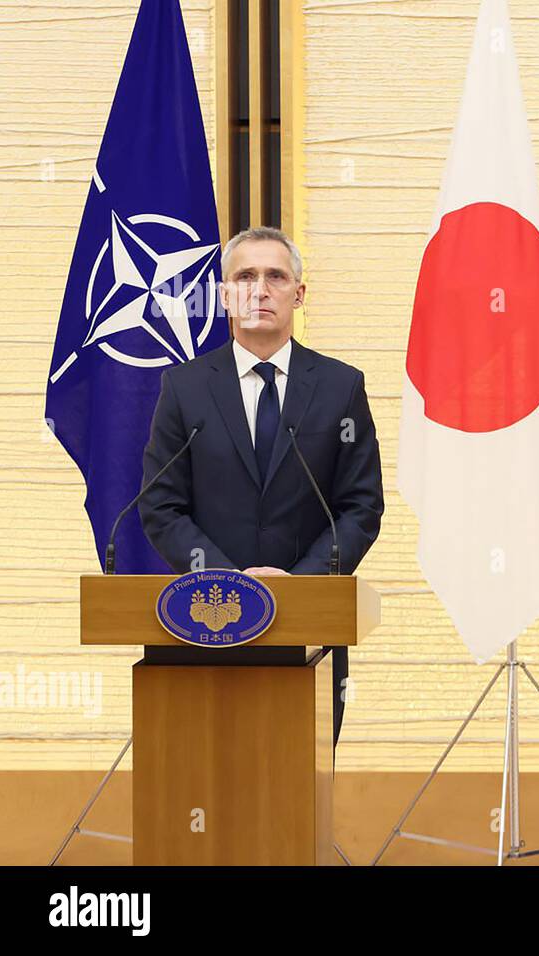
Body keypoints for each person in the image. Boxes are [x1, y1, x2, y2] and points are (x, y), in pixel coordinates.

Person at [139, 226, 384, 746]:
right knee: (208, 775)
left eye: (275, 276)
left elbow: (360, 506)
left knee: (296, 789)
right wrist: (234, 585)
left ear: (298, 294)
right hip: (206, 619)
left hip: (309, 629)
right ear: (224, 293)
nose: (259, 289)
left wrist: (298, 584)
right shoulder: (184, 388)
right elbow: (160, 505)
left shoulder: (341, 387)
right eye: (244, 277)